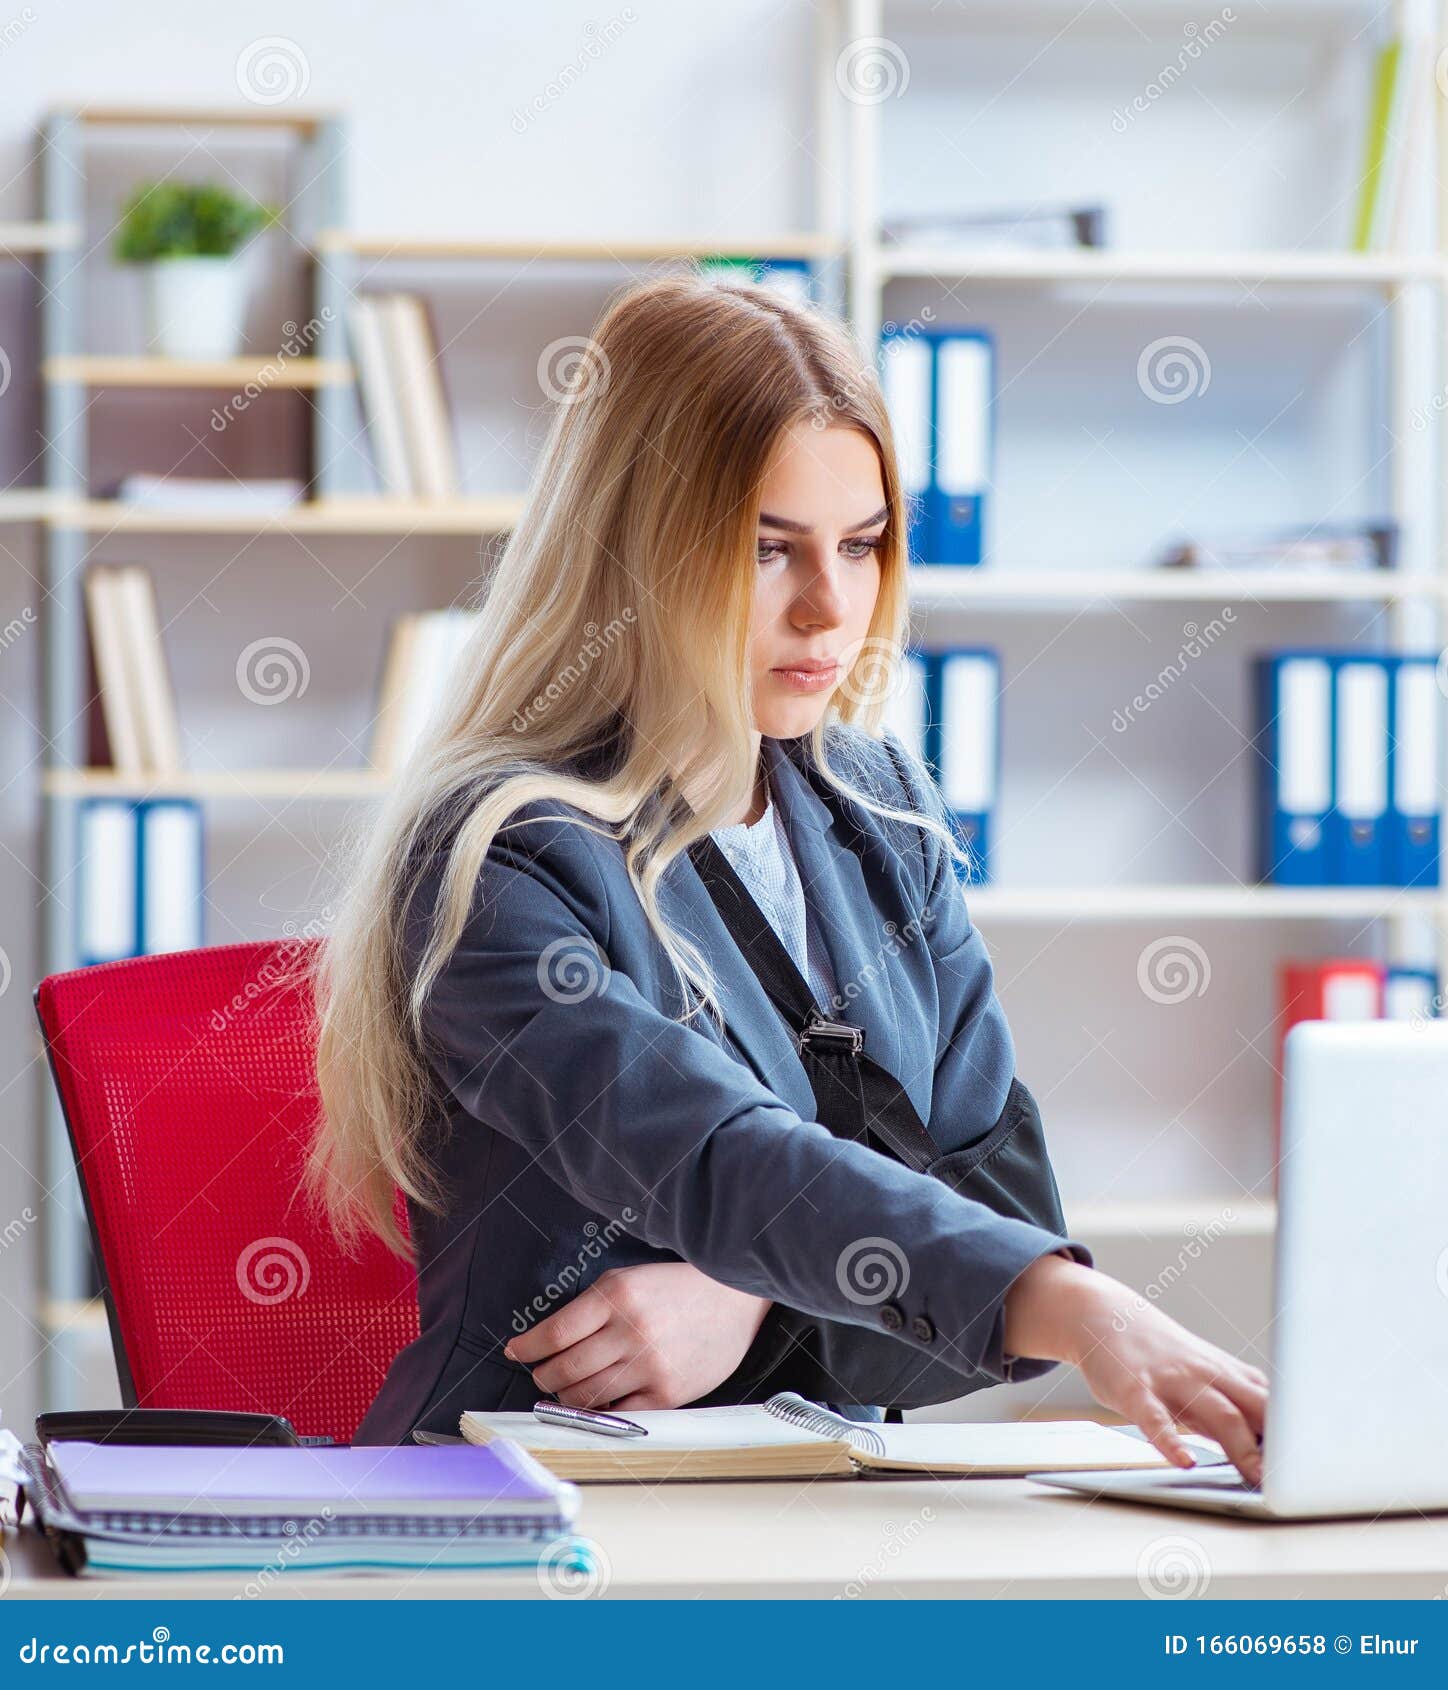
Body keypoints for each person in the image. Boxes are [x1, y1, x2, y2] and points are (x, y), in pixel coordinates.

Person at [305, 271, 1267, 1484]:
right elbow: (717, 1160)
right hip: (535, 1507)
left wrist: (753, 1301)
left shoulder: (886, 816)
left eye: (860, 547)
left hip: (823, 1495)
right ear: (640, 552)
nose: (829, 608)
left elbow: (1001, 1197)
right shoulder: (500, 855)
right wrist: (1071, 1307)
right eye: (769, 550)